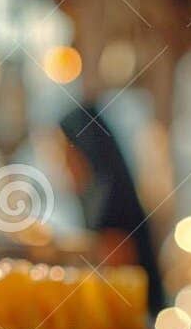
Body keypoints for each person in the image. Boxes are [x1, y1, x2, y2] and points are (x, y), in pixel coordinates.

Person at [58, 104, 167, 309]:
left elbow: (113, 289)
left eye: (68, 155)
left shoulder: (113, 212)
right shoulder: (94, 202)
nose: (65, 166)